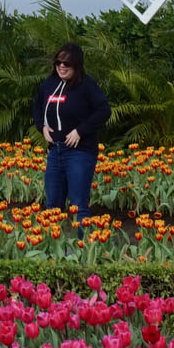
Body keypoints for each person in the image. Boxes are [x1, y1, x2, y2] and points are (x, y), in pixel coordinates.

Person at [33, 41, 111, 220]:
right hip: (55, 151)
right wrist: (41, 126)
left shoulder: (86, 85)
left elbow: (104, 110)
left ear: (76, 65)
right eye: (58, 62)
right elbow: (37, 105)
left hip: (79, 152)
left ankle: (84, 246)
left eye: (67, 63)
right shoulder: (48, 84)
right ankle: (53, 247)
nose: (61, 66)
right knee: (52, 206)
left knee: (78, 206)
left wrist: (80, 131)